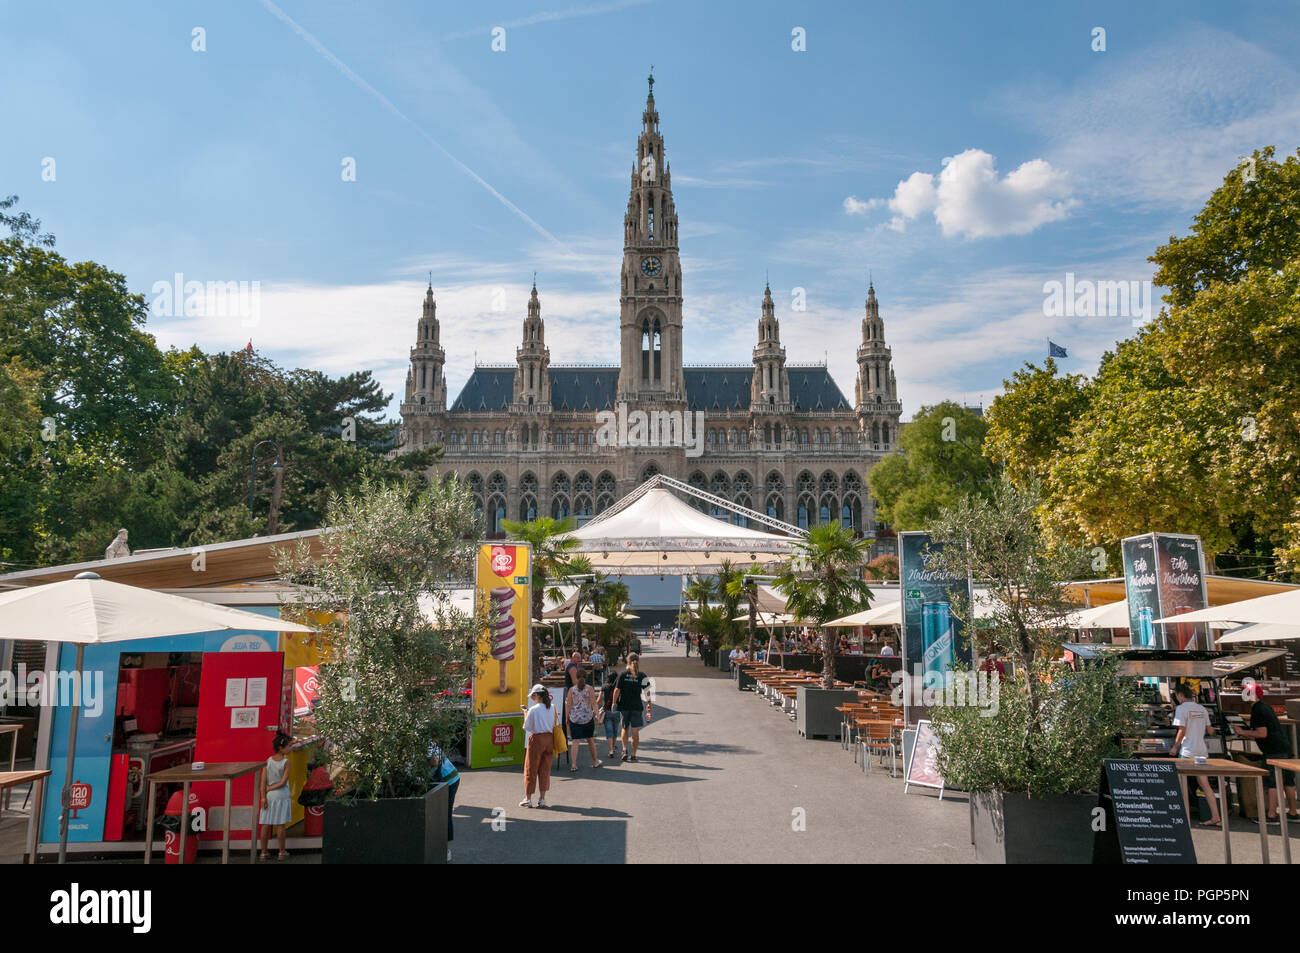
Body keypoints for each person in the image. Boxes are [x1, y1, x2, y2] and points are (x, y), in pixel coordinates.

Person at [1233, 681, 1299, 821]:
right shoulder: (1265, 706)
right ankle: (1293, 813)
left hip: (1273, 750)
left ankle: (1271, 815)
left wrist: (1243, 732)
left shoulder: (1257, 709)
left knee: (1272, 782)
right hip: (1283, 746)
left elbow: (1262, 733)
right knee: (1288, 781)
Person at [1171, 683, 1222, 828]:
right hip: (1201, 751)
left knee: (1181, 785)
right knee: (1205, 785)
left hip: (1187, 751)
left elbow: (1182, 730)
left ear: (1180, 695)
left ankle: (1182, 818)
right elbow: (1210, 730)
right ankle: (1216, 817)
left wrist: (1175, 746)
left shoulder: (1181, 709)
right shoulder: (1201, 708)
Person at [258, 731, 293, 861]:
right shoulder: (286, 762)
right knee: (280, 825)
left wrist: (263, 796)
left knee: (265, 824)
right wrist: (271, 788)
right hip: (281, 795)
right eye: (289, 746)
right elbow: (283, 782)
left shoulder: (268, 761)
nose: (291, 748)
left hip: (269, 796)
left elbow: (263, 781)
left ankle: (263, 853)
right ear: (281, 748)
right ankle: (281, 852)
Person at [612, 652, 653, 762]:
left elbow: (616, 690)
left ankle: (625, 750)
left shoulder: (623, 674)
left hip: (624, 706)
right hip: (636, 706)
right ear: (638, 661)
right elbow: (648, 691)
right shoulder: (642, 675)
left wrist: (613, 703)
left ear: (628, 662)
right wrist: (649, 703)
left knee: (625, 728)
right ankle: (634, 755)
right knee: (635, 732)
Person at [522, 684, 556, 808]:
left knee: (531, 768)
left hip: (537, 739)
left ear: (537, 695)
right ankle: (542, 799)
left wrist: (525, 714)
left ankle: (528, 798)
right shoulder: (552, 707)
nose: (532, 698)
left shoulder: (533, 710)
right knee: (545, 769)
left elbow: (527, 727)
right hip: (549, 739)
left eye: (533, 696)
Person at [565, 671, 603, 771]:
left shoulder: (571, 690)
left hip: (575, 718)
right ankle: (595, 761)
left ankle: (573, 765)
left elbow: (568, 704)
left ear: (576, 678)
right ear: (586, 678)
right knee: (590, 740)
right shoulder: (589, 688)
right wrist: (598, 716)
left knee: (575, 742)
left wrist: (566, 717)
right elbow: (594, 703)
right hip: (587, 718)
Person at [431, 744, 461, 861]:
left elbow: (435, 761)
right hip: (440, 780)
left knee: (445, 814)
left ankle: (446, 851)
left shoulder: (421, 740)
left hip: (449, 780)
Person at [598, 665, 622, 761]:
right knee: (615, 731)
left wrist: (594, 707)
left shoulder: (604, 687)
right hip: (616, 710)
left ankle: (611, 750)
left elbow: (599, 699)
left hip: (607, 711)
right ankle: (614, 745)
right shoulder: (619, 688)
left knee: (609, 732)